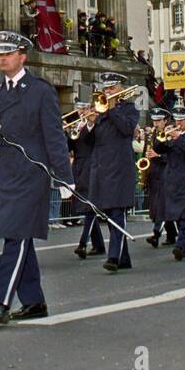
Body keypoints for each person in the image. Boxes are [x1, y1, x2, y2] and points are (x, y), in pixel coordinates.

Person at [0, 30, 72, 323]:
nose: (2, 59)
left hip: (32, 174)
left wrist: (64, 177)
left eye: (8, 54)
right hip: (4, 174)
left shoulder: (41, 91)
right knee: (18, 237)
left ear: (22, 56)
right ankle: (34, 302)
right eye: (0, 54)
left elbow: (54, 137)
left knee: (16, 237)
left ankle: (1, 301)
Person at [78, 72, 138, 272]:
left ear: (121, 88)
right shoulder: (100, 112)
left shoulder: (129, 109)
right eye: (106, 89)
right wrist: (90, 122)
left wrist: (112, 110)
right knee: (109, 214)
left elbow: (127, 129)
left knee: (117, 212)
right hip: (101, 169)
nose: (108, 91)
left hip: (120, 168)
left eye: (112, 88)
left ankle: (113, 257)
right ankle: (124, 257)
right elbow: (86, 141)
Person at [153, 106, 185, 260]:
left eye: (181, 120)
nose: (178, 123)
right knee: (177, 215)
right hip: (172, 180)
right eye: (177, 120)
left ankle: (180, 246)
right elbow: (159, 149)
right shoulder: (171, 136)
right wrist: (161, 137)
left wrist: (178, 138)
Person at [69, 101, 105, 258]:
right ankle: (99, 245)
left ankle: (82, 243)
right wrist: (64, 132)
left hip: (92, 167)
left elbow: (92, 140)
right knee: (86, 206)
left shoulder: (97, 126)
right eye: (80, 110)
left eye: (84, 110)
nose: (81, 113)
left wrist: (89, 125)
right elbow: (69, 147)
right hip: (78, 168)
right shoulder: (77, 127)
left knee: (89, 207)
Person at [143, 108, 178, 247]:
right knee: (156, 205)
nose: (155, 123)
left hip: (166, 171)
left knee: (162, 204)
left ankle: (156, 233)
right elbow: (147, 149)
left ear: (165, 121)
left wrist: (159, 156)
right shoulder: (151, 134)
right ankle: (171, 234)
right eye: (154, 120)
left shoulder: (170, 134)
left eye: (158, 121)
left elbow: (174, 154)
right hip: (154, 171)